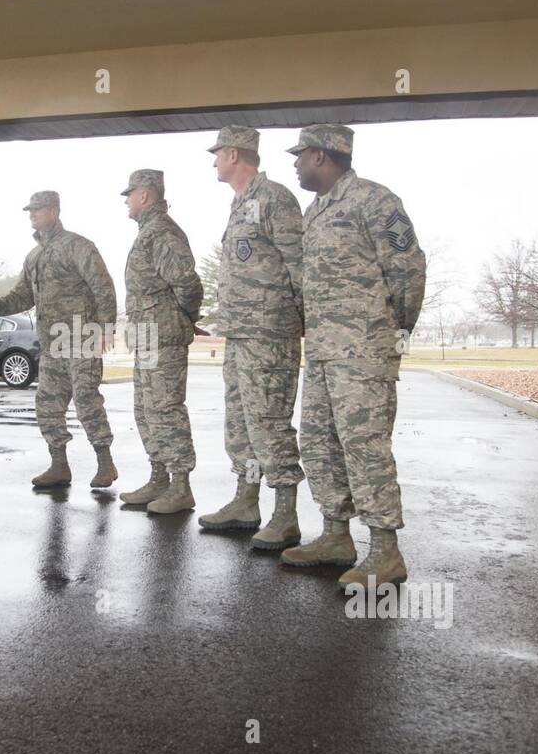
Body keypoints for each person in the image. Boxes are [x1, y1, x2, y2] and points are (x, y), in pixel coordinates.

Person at [282, 125, 426, 586]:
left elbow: (408, 270)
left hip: (363, 351)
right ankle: (335, 535)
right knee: (320, 443)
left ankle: (385, 551)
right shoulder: (316, 210)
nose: (296, 163)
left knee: (364, 447)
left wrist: (391, 330)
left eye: (300, 155)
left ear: (323, 156)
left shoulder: (374, 200)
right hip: (323, 351)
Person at [196, 125, 307, 550]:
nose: (214, 161)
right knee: (240, 422)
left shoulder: (274, 199)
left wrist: (301, 324)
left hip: (270, 334)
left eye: (218, 153)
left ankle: (286, 514)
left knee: (269, 423)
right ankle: (247, 499)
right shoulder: (240, 204)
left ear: (235, 155)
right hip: (241, 334)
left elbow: (300, 267)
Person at [0, 191, 118, 488]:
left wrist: (106, 328)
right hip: (51, 345)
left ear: (54, 211)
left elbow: (102, 286)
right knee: (47, 405)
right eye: (30, 210)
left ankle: (105, 463)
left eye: (38, 209)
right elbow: (22, 295)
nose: (32, 214)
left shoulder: (78, 246)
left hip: (81, 338)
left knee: (87, 400)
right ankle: (59, 465)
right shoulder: (33, 256)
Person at [118, 169, 203, 513]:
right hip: (145, 337)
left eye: (130, 193)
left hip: (163, 336)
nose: (126, 200)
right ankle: (159, 478)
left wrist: (184, 319)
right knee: (145, 409)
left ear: (145, 195)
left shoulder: (162, 232)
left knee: (166, 409)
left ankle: (181, 486)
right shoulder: (147, 233)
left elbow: (188, 285)